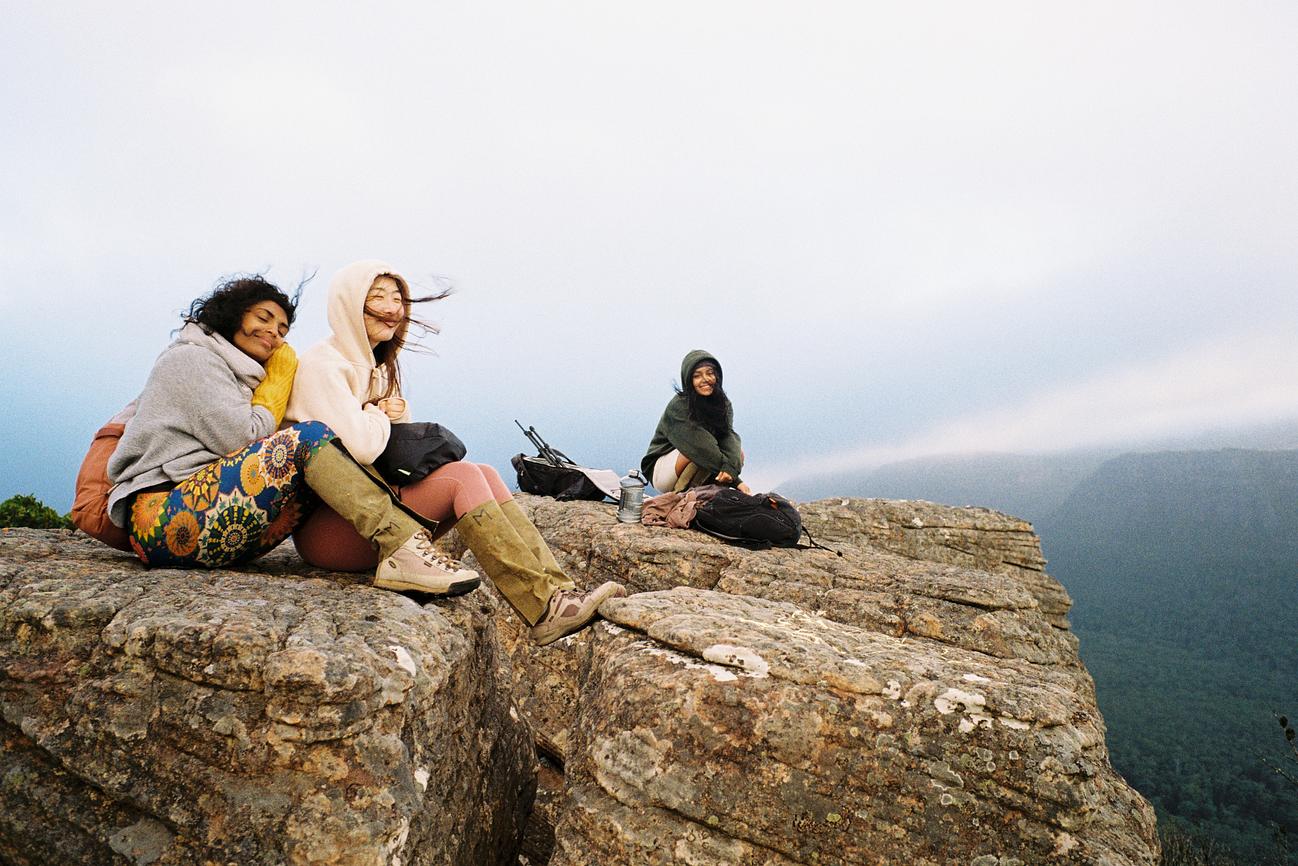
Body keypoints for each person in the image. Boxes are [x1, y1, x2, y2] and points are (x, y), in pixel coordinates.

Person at [285, 259, 625, 646]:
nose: (392, 307)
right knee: (461, 478)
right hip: (329, 532)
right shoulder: (323, 365)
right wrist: (378, 412)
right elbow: (362, 445)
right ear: (348, 304)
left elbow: (384, 447)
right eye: (377, 296)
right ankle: (544, 605)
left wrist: (392, 414)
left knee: (484, 472)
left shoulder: (375, 366)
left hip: (368, 519)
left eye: (398, 298)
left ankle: (557, 594)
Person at [106, 275, 480, 596]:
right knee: (308, 436)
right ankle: (401, 546)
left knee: (321, 447)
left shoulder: (241, 375)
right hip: (165, 518)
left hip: (220, 519)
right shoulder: (192, 359)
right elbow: (241, 440)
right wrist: (282, 374)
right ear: (232, 314)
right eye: (263, 318)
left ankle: (409, 548)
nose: (273, 333)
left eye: (283, 329)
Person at [641, 349, 751, 494]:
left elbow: (728, 436)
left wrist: (732, 466)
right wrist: (736, 481)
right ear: (689, 380)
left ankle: (707, 496)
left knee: (737, 454)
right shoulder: (679, 406)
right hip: (662, 471)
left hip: (704, 458)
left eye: (710, 373)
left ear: (717, 376)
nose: (705, 379)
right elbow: (700, 447)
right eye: (697, 376)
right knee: (695, 452)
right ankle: (679, 496)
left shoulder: (723, 404)